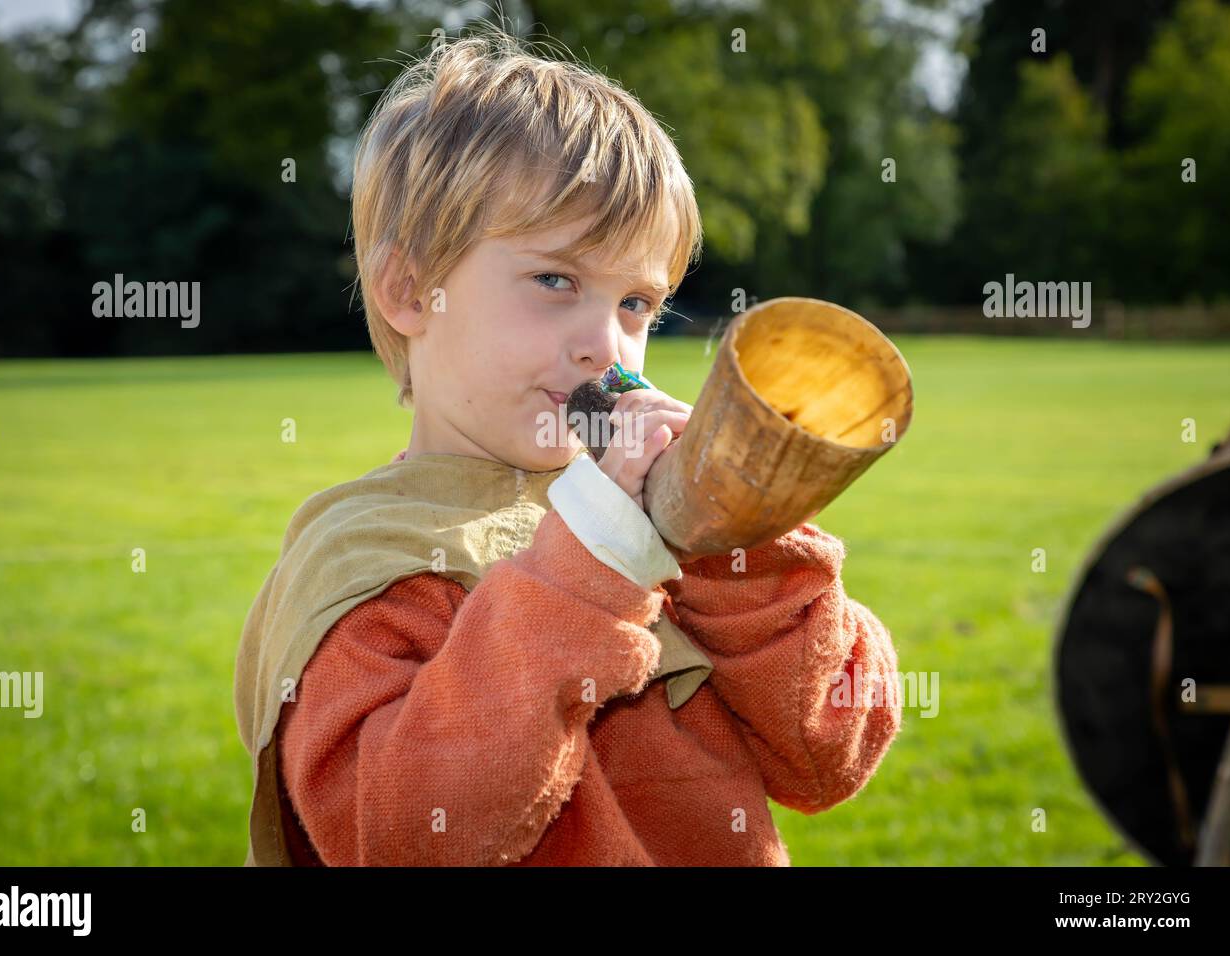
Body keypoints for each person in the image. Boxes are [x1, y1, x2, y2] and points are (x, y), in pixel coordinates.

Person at [232, 24, 901, 867]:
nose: (607, 347)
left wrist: (745, 539)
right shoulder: (369, 557)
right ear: (410, 291)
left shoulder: (661, 507)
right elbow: (397, 837)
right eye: (556, 281)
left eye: (636, 304)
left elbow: (826, 755)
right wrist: (586, 571)